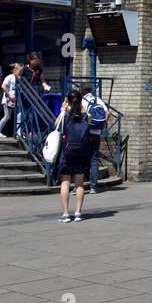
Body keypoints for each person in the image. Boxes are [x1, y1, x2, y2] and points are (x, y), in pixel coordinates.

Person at [53, 88, 94, 222]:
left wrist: (62, 110)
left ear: (68, 101)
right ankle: (78, 213)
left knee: (65, 182)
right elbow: (87, 123)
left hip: (67, 152)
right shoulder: (86, 116)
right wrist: (81, 106)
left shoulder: (65, 115)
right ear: (80, 101)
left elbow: (56, 125)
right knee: (79, 184)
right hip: (81, 153)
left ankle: (65, 214)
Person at [80, 83, 109, 194]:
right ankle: (93, 187)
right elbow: (107, 113)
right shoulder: (98, 100)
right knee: (94, 159)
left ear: (81, 91)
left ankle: (78, 186)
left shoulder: (81, 101)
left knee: (82, 159)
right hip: (96, 133)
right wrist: (102, 127)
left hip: (85, 133)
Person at [0, 63, 21, 137]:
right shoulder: (9, 77)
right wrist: (9, 95)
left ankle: (18, 132)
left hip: (16, 100)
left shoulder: (19, 78)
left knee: (19, 115)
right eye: (20, 71)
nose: (20, 73)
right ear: (14, 70)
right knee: (7, 116)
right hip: (8, 99)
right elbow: (3, 86)